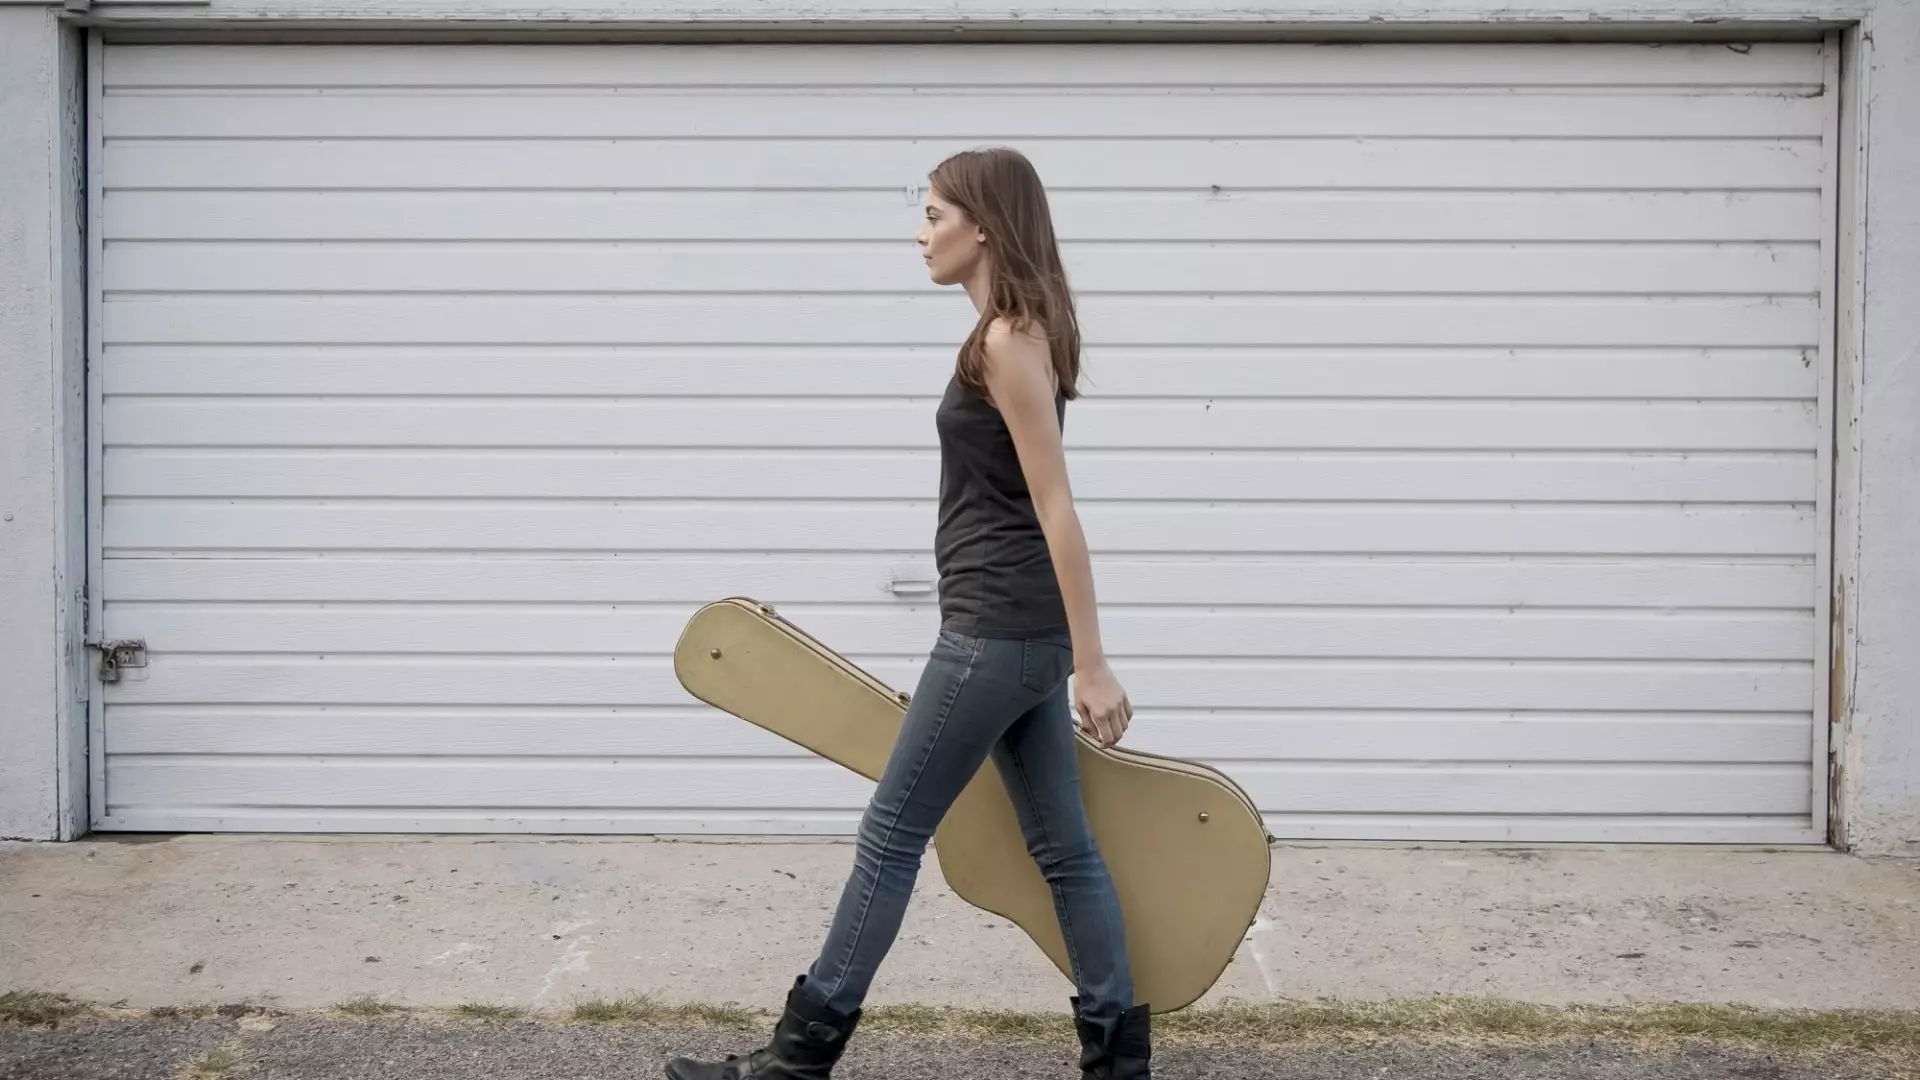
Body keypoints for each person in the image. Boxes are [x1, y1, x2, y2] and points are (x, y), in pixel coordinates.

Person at [664, 146, 1150, 1080]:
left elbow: (1057, 505)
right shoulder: (1017, 331)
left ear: (983, 226)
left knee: (890, 835)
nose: (920, 232)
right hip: (1022, 635)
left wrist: (1093, 662)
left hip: (996, 635)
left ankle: (797, 1060)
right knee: (1064, 849)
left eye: (933, 214)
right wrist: (1068, 653)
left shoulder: (1007, 338)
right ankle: (1118, 1061)